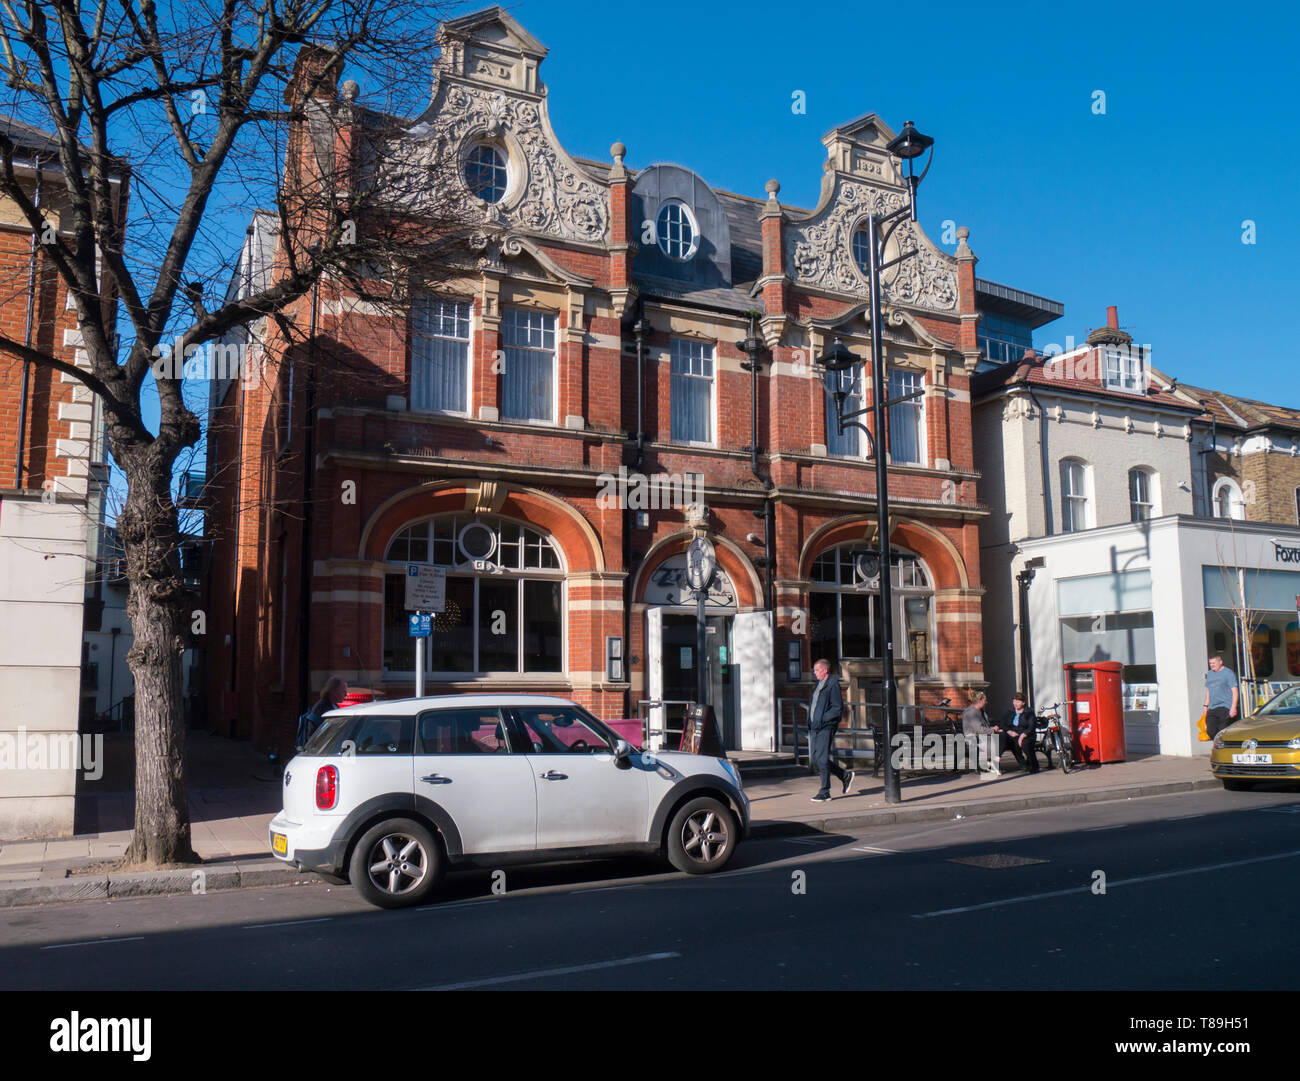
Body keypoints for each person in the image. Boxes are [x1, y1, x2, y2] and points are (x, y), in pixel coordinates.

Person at [808, 658, 853, 802]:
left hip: (826, 726)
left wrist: (822, 719)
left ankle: (825, 791)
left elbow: (837, 708)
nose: (814, 673)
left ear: (825, 670)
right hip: (815, 727)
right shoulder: (818, 685)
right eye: (814, 670)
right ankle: (844, 775)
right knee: (816, 758)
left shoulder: (832, 684)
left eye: (817, 670)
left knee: (821, 758)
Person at [296, 675, 348, 751]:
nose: (346, 694)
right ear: (333, 690)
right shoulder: (321, 709)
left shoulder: (334, 706)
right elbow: (313, 736)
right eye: (343, 691)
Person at [1203, 654, 1240, 739]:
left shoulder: (1228, 673)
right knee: (1210, 730)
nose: (1212, 665)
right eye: (1210, 663)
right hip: (1212, 707)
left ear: (1220, 662)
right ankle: (1219, 745)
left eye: (1214, 663)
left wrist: (1233, 707)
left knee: (1222, 731)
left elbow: (1235, 691)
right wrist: (1205, 706)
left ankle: (1222, 747)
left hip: (1225, 706)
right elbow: (1209, 691)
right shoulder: (1209, 674)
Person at [1002, 691, 1039, 773]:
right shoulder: (1010, 712)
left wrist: (1022, 736)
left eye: (1018, 701)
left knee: (1025, 744)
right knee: (1009, 742)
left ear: (1023, 703)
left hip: (1027, 734)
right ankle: (1023, 764)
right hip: (1014, 733)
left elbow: (1031, 726)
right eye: (1014, 701)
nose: (1015, 703)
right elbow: (1003, 724)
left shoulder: (1029, 712)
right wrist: (1009, 731)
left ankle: (1034, 765)